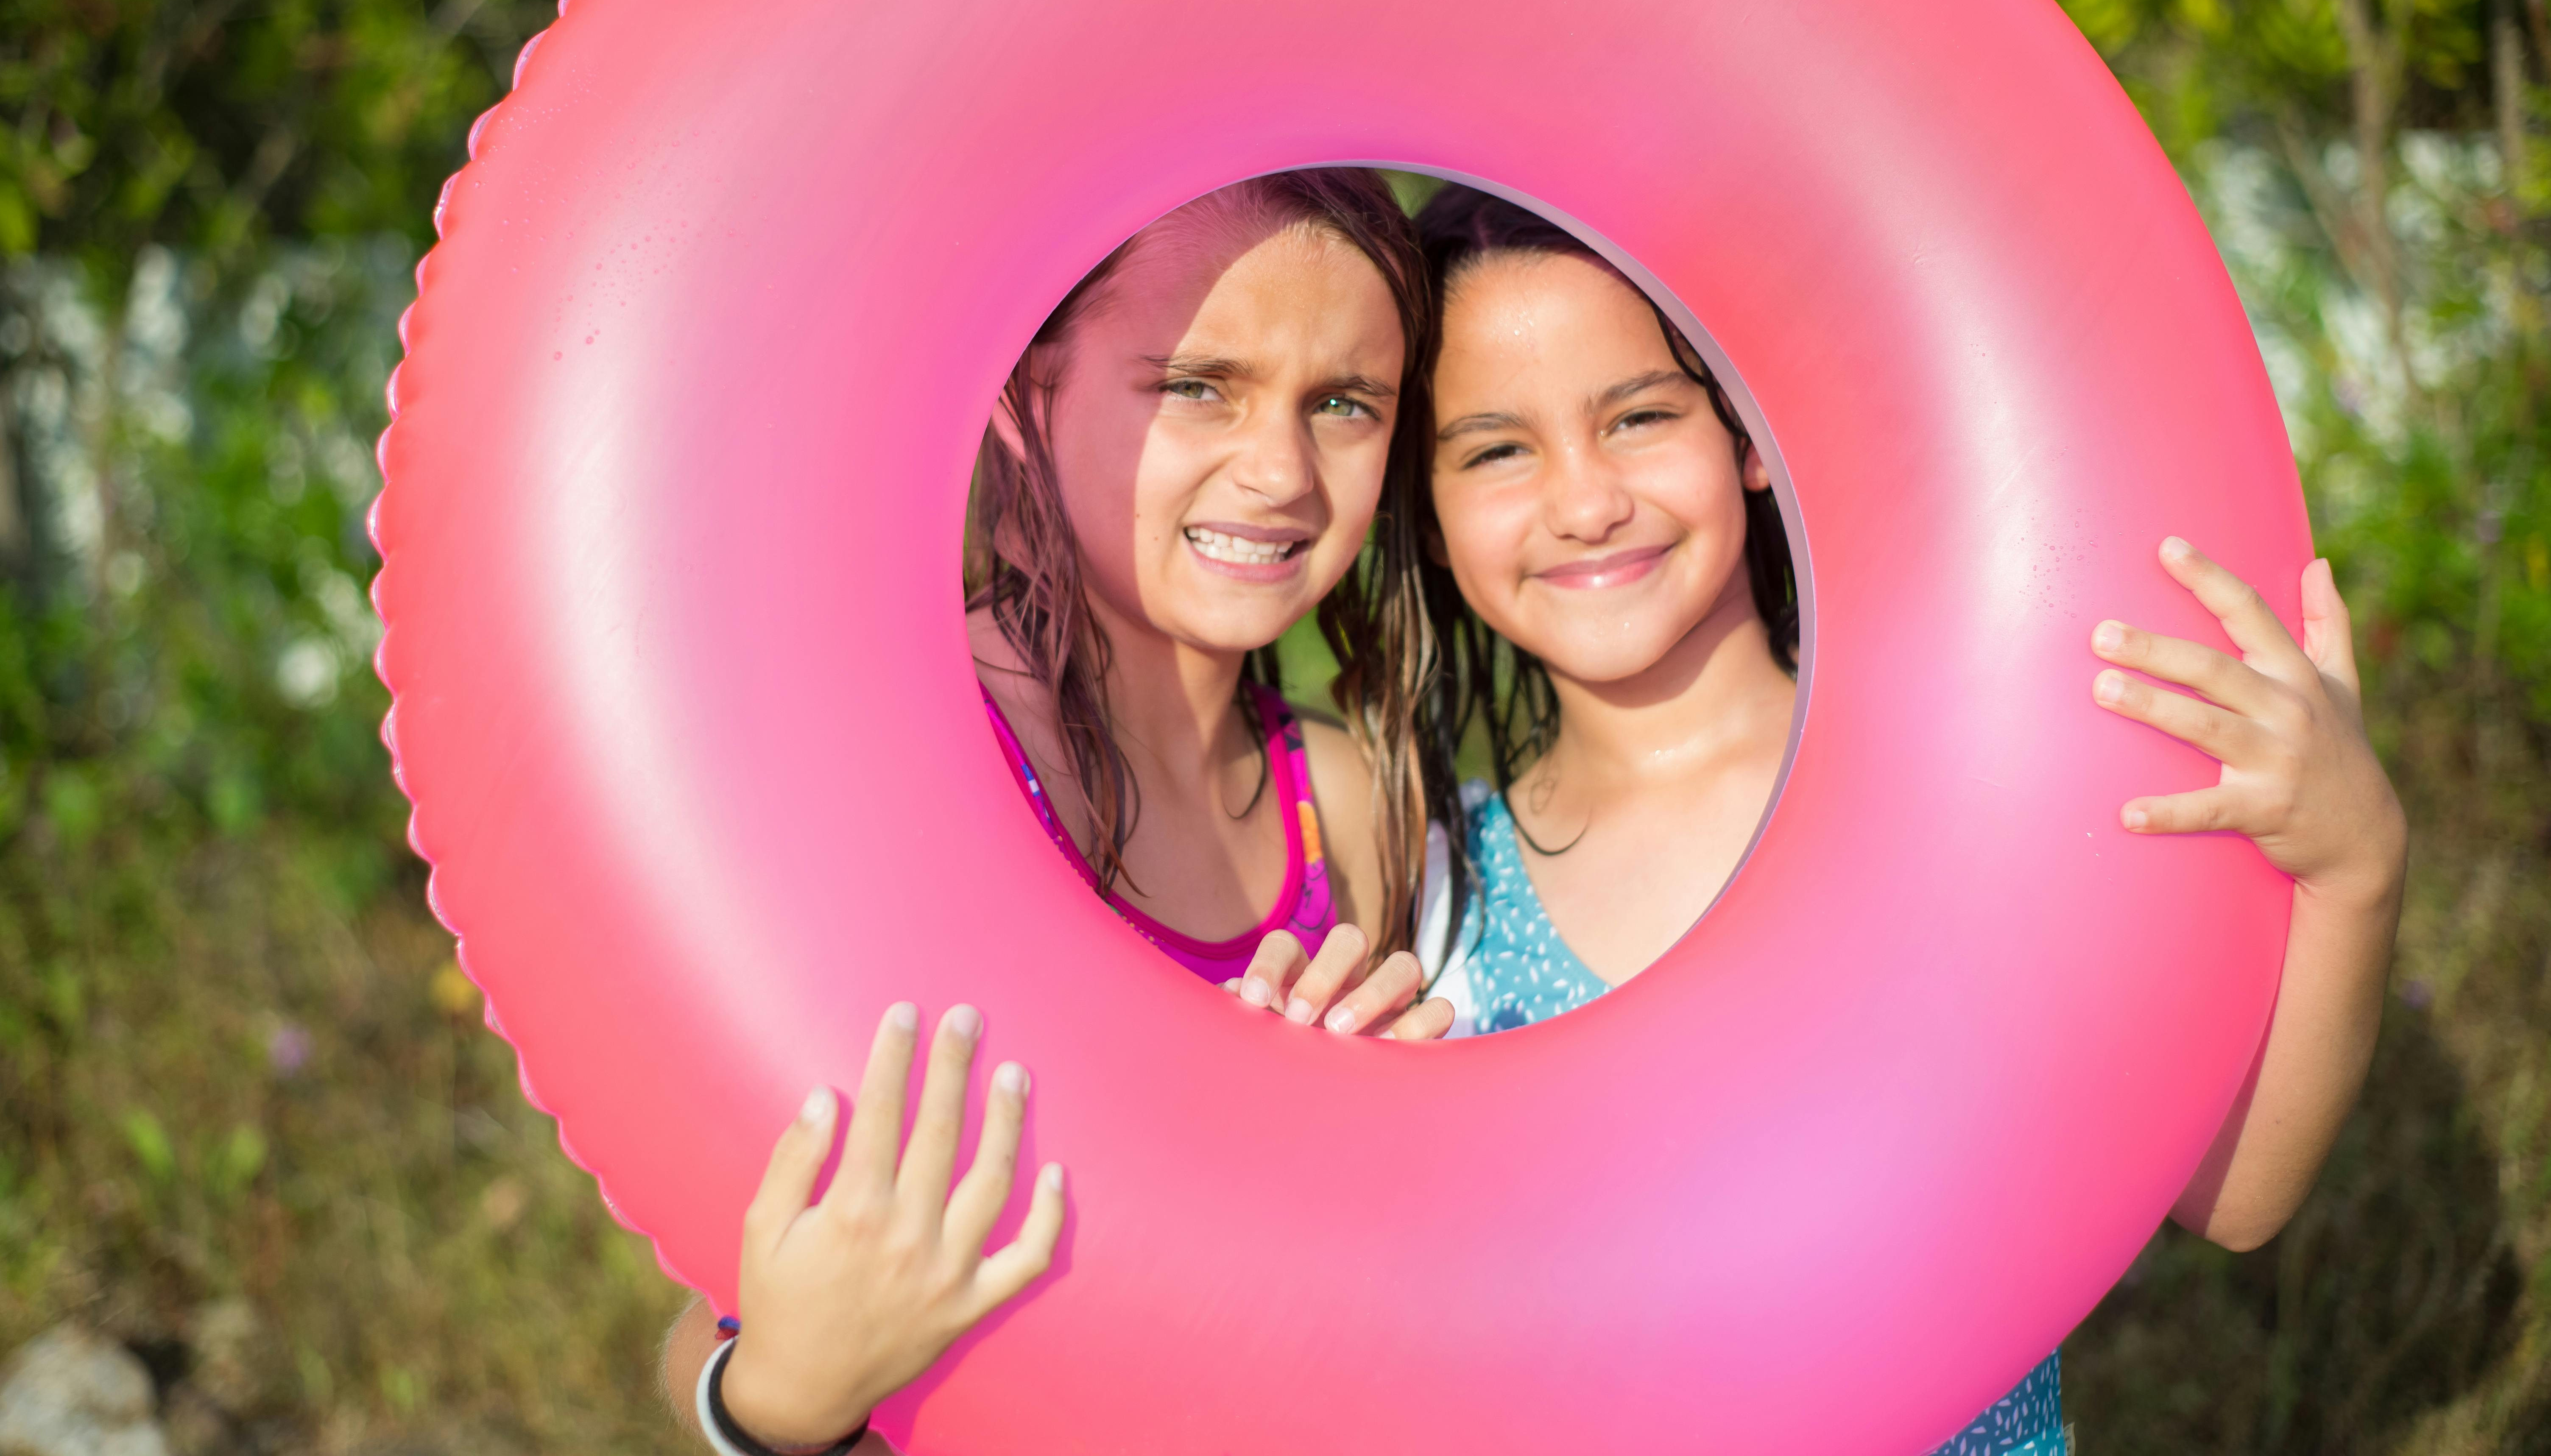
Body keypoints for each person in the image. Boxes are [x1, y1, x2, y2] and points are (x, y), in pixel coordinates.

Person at [1245, 184, 2408, 1453]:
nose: (1585, 502)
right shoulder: (1435, 889)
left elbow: (2231, 1192)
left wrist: (2359, 865)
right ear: (1434, 511)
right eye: (1497, 450)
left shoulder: (1965, 803)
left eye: (1638, 417)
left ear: (1746, 433)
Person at [658, 170, 1459, 1452]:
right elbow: (734, 1295)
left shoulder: (1351, 801)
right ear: (1030, 395)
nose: (1278, 470)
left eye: (1343, 405)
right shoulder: (915, 763)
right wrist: (773, 1411)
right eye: (1198, 387)